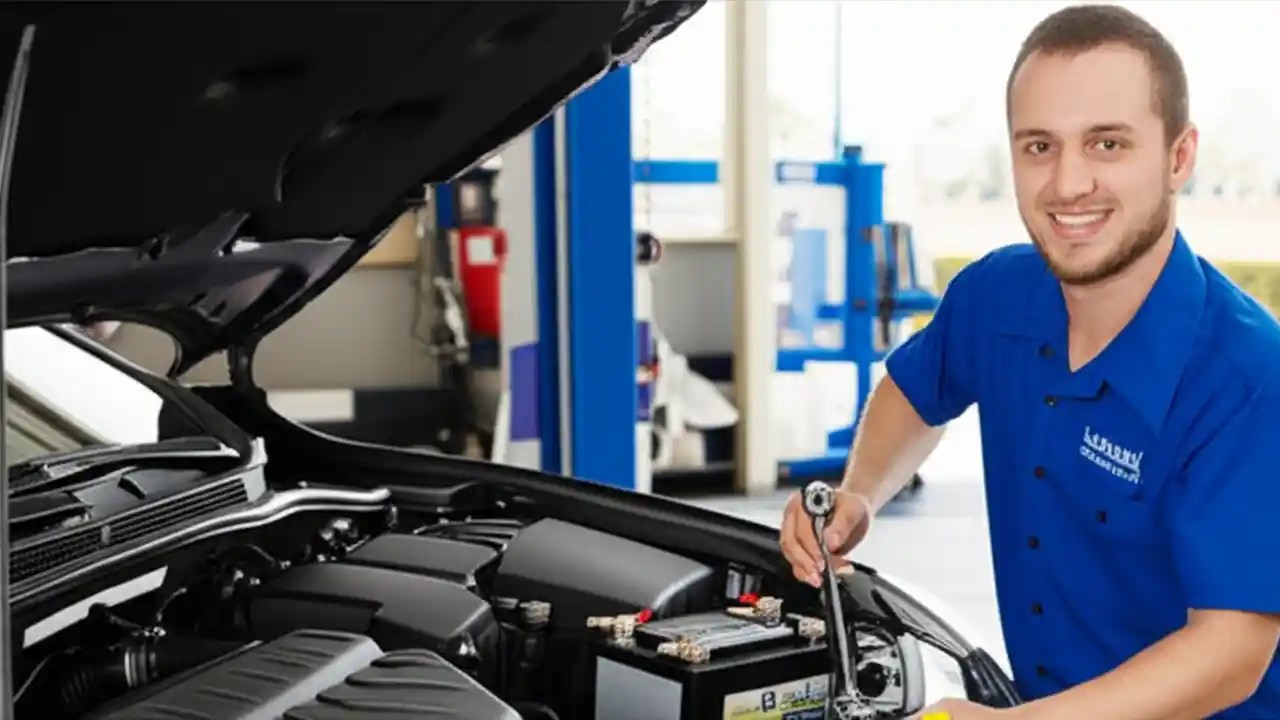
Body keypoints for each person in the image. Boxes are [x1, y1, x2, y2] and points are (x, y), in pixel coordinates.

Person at [778, 4, 1280, 719]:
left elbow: (1230, 652)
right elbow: (914, 390)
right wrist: (859, 494)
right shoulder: (997, 293)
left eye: (1107, 145)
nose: (1068, 184)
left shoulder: (1247, 378)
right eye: (1039, 147)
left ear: (1179, 156)